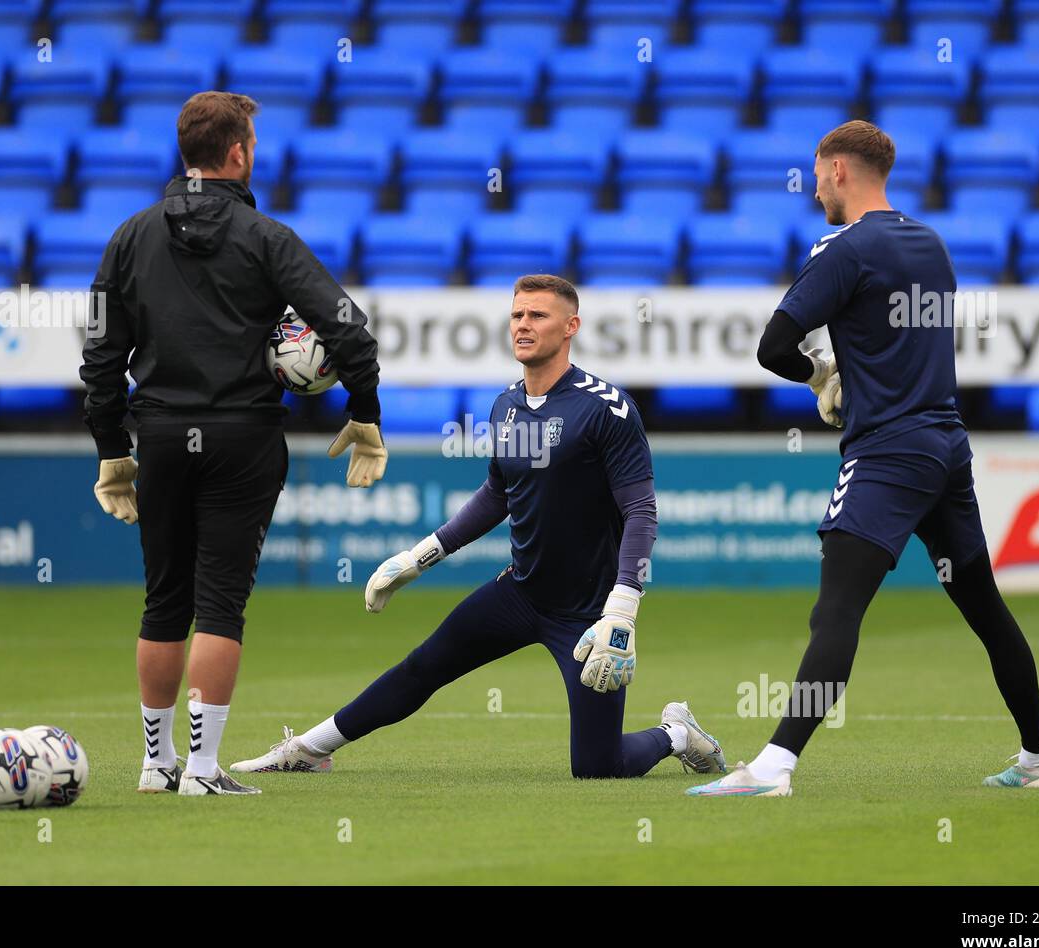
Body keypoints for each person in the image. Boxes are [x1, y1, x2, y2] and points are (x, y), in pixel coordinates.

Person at [231, 274, 726, 779]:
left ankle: (678, 733)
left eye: (538, 315)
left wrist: (623, 608)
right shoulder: (505, 406)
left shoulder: (606, 408)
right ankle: (310, 750)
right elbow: (497, 494)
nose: (523, 325)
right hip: (521, 593)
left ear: (571, 326)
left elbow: (641, 511)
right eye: (517, 315)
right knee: (423, 668)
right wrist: (417, 558)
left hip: (589, 614)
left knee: (599, 766)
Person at [688, 120, 1039, 797]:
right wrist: (846, 371)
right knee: (985, 608)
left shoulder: (843, 247)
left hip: (887, 450)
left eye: (817, 176)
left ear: (837, 172)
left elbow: (773, 347)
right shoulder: (931, 244)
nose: (816, 191)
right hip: (947, 446)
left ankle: (773, 768)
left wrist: (822, 377)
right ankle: (1037, 760)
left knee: (836, 613)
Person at [79, 91, 386, 796]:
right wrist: (364, 413)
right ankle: (204, 770)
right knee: (220, 603)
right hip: (242, 436)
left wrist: (109, 447)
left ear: (185, 152)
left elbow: (99, 354)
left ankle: (156, 766)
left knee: (163, 601)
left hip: (156, 434)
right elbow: (348, 331)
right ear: (240, 153)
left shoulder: (128, 236)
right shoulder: (267, 238)